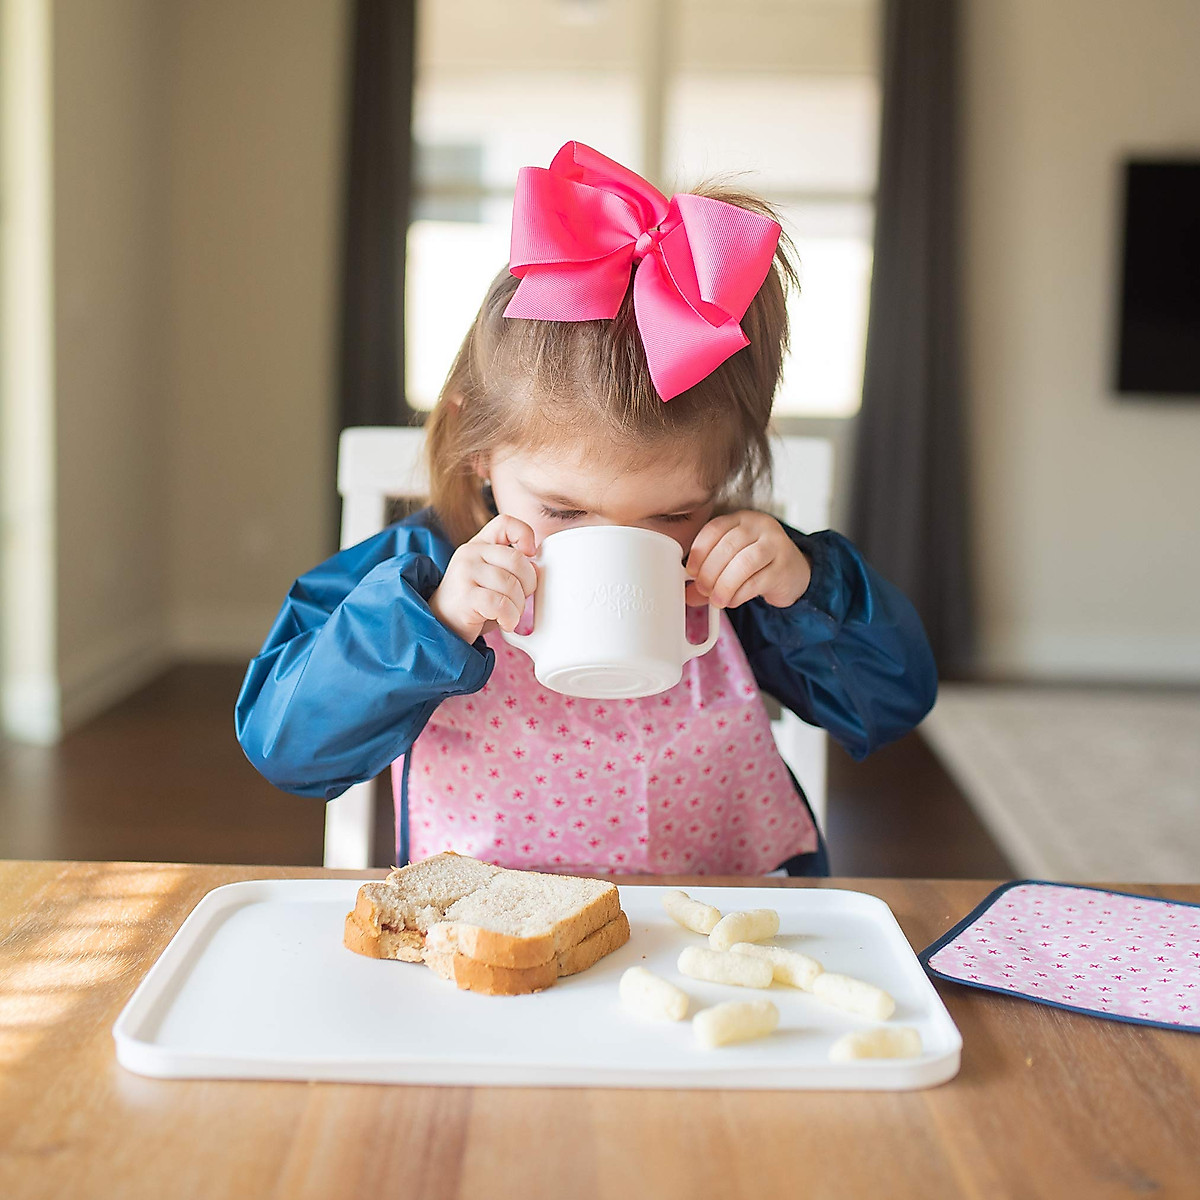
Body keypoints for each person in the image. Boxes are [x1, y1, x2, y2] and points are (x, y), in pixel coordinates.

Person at [235, 141, 937, 877]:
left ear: (722, 476)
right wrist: (433, 623)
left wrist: (806, 586)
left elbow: (893, 702)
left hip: (711, 927)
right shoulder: (419, 576)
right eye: (563, 511)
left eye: (670, 517)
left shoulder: (736, 575)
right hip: (487, 934)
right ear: (479, 445)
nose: (617, 543)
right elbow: (287, 748)